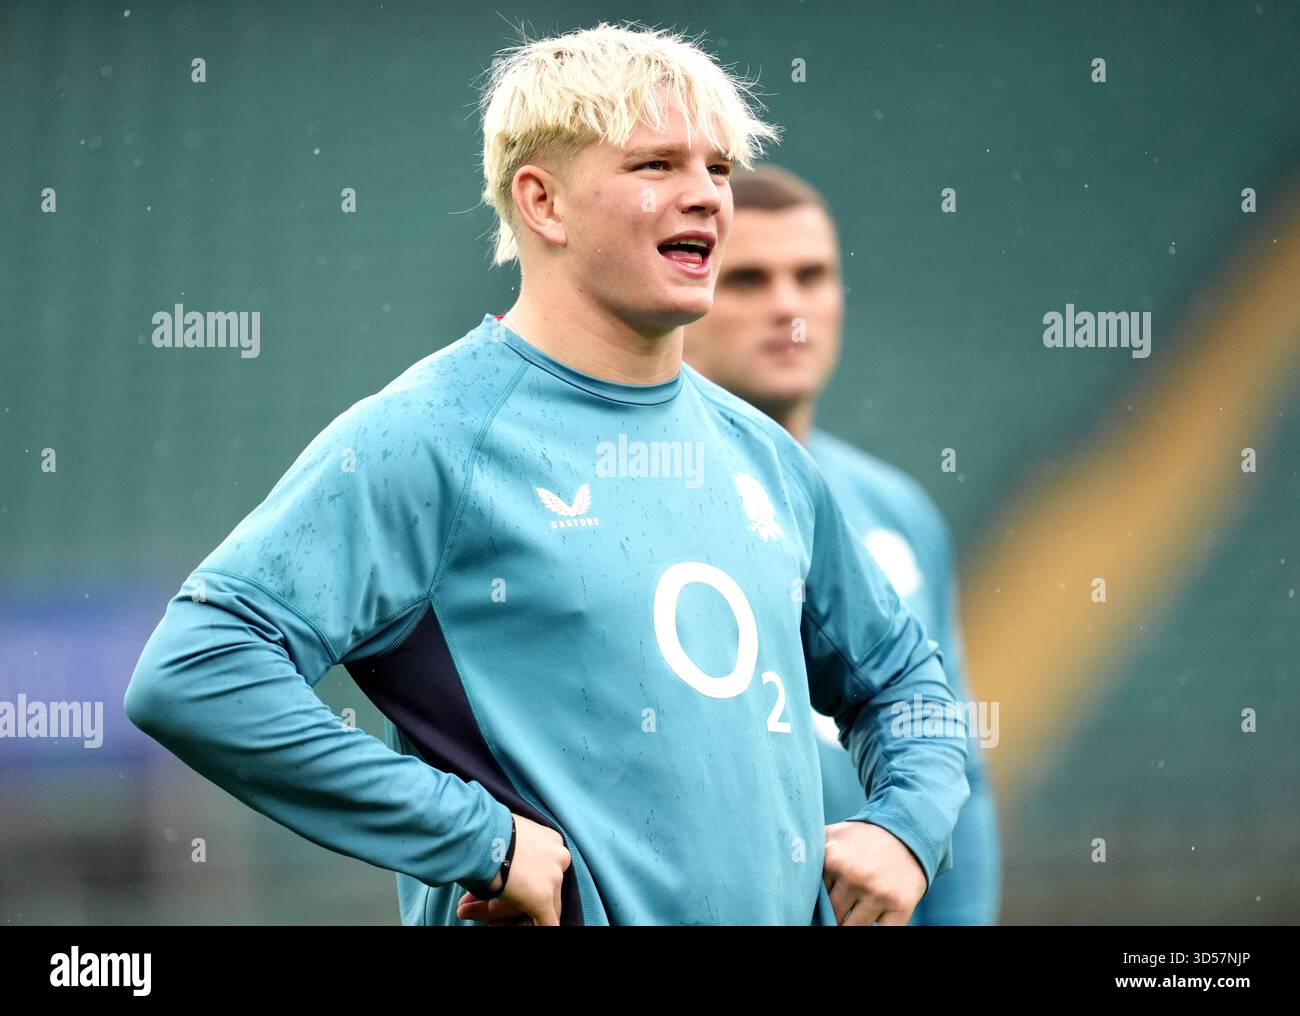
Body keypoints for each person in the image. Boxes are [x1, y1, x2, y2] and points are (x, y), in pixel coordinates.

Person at [124, 23, 969, 926]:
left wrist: (906, 828)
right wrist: (476, 837)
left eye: (718, 169)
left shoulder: (764, 457)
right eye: (655, 167)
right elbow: (198, 670)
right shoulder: (431, 436)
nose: (707, 199)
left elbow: (904, 679)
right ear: (543, 203)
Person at [683, 164, 1001, 924]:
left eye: (812, 275)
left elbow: (954, 768)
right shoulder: (632, 502)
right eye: (749, 280)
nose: (789, 305)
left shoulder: (897, 511)